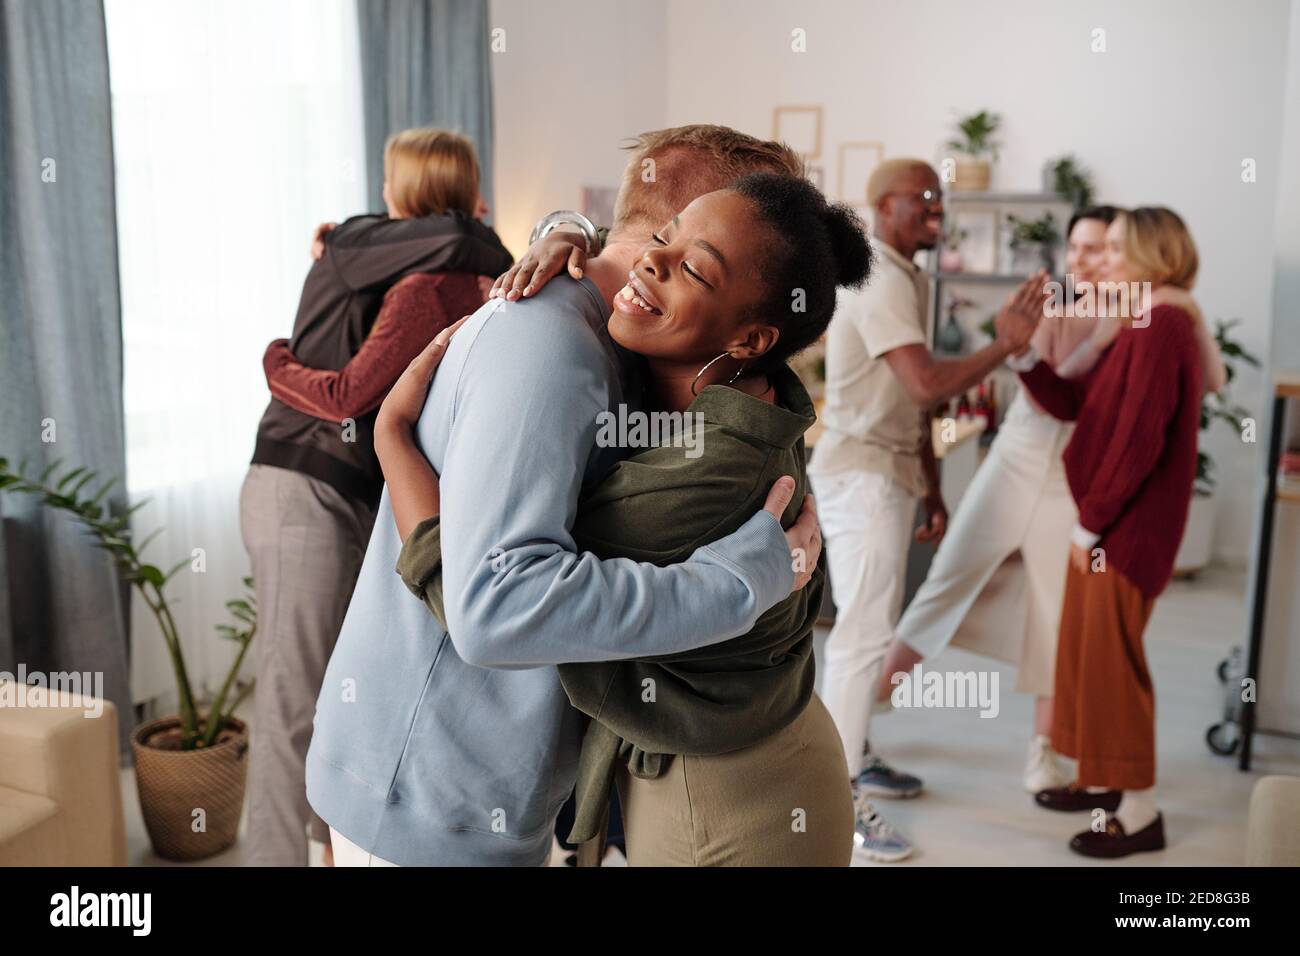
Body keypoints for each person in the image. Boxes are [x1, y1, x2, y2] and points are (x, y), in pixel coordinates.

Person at [304, 125, 826, 867]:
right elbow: (495, 609)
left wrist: (564, 227)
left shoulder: (625, 344)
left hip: (483, 797)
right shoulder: (548, 346)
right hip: (424, 798)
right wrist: (742, 582)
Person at [877, 206, 1227, 795]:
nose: (1090, 261)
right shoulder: (1062, 308)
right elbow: (1057, 391)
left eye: (1105, 249)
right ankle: (869, 705)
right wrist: (1028, 344)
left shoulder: (1145, 316)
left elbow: (1206, 381)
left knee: (1056, 618)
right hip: (1014, 462)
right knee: (944, 582)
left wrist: (1185, 308)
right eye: (1081, 249)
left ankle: (1046, 751)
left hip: (1076, 482)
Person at [240, 127, 511, 866]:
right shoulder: (449, 267)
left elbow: (350, 391)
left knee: (326, 700)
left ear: (404, 191)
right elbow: (357, 395)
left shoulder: (435, 272)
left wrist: (273, 361)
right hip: (304, 482)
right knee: (298, 700)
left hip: (331, 484)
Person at [809, 158, 1044, 861]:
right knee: (863, 635)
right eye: (923, 199)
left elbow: (919, 403)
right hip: (861, 475)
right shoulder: (880, 277)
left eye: (941, 199)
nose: (937, 209)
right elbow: (922, 383)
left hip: (889, 471)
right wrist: (1004, 344)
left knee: (867, 629)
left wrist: (933, 486)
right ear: (882, 206)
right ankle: (836, 793)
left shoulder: (908, 274)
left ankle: (853, 751)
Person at [1014, 207, 1204, 858]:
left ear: (1154, 254)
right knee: (1089, 661)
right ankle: (1103, 782)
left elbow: (1140, 437)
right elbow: (1082, 405)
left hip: (1123, 529)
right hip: (1108, 521)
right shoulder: (1141, 319)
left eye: (1120, 247)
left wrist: (1091, 524)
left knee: (1112, 667)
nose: (1106, 258)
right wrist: (1021, 354)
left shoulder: (1161, 322)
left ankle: (1141, 813)